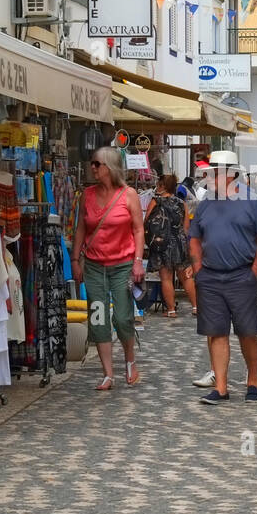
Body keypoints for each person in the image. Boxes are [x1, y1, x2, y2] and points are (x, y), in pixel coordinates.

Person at [188, 151, 257, 404]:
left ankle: (253, 378)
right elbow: (194, 236)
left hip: (241, 274)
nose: (209, 176)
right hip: (210, 277)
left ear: (230, 173)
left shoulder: (251, 200)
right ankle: (222, 387)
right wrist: (197, 269)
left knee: (247, 331)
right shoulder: (205, 203)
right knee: (216, 333)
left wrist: (255, 271)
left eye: (214, 171)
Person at [71, 146, 145, 390]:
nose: (92, 168)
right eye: (91, 163)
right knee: (98, 317)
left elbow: (138, 229)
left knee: (123, 318)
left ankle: (130, 361)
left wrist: (137, 261)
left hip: (122, 265)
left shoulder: (128, 194)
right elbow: (81, 228)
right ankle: (108, 374)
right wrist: (75, 260)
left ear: (110, 167)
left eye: (96, 164)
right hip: (94, 266)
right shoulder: (88, 195)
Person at [145, 173, 198, 319]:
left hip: (162, 244)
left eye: (158, 185)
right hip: (179, 242)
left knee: (166, 278)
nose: (156, 187)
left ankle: (171, 310)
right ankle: (196, 307)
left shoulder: (155, 201)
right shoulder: (182, 203)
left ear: (162, 186)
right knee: (186, 277)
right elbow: (186, 227)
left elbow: (147, 221)